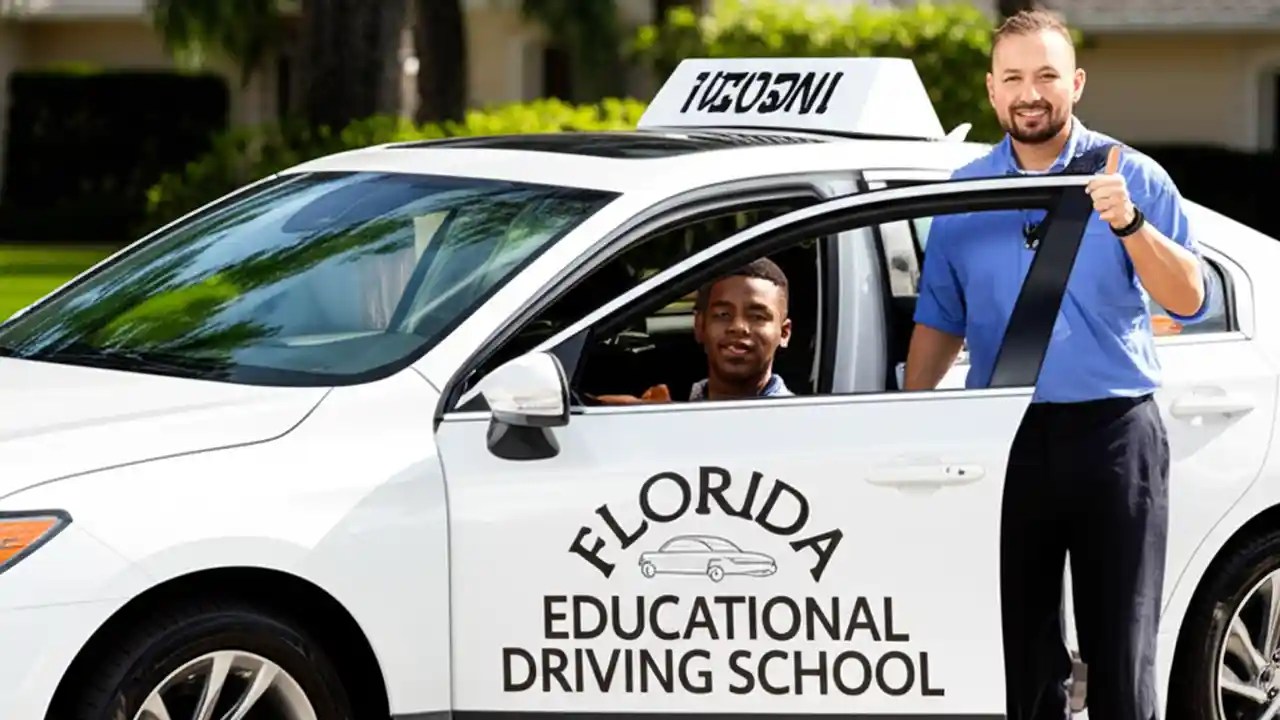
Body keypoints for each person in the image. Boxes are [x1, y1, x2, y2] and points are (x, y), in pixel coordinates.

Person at [902, 9, 1208, 720]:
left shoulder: (1131, 175)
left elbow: (1188, 298)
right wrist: (907, 424)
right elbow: (938, 322)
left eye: (1045, 75)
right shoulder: (963, 191)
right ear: (990, 90)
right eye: (1013, 77)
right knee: (1019, 653)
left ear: (1076, 82)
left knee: (1122, 653)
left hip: (1115, 438)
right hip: (1003, 442)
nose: (1029, 92)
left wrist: (1127, 223)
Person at [594, 257, 793, 404]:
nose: (738, 327)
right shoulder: (673, 408)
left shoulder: (802, 424)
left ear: (784, 333)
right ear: (700, 326)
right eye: (723, 315)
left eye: (757, 317)